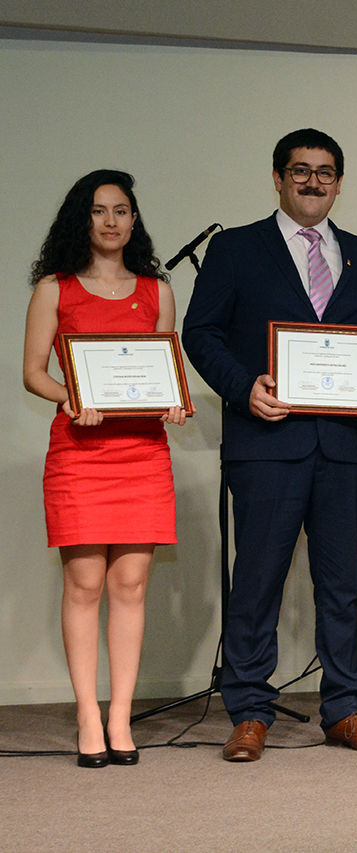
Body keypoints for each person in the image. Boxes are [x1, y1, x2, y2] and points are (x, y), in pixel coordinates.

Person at [182, 128, 357, 761]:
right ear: (278, 178)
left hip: (346, 446)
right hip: (265, 443)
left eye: (325, 172)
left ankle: (346, 710)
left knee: (342, 585)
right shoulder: (235, 250)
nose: (313, 181)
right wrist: (241, 387)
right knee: (257, 580)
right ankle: (250, 710)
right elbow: (200, 334)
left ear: (339, 181)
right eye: (300, 170)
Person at [23, 170, 187, 767]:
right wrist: (69, 396)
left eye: (121, 211)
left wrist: (172, 398)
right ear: (82, 219)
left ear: (134, 220)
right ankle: (87, 716)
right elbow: (33, 372)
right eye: (99, 211)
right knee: (85, 584)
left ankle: (121, 716)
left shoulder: (156, 290)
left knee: (131, 585)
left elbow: (162, 366)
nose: (111, 221)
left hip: (142, 453)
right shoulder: (55, 288)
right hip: (80, 454)